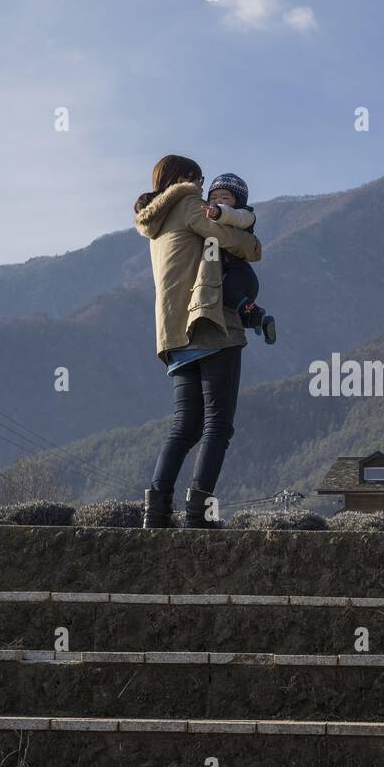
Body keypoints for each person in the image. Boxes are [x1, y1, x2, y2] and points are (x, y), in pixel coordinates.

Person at [133, 154, 261, 529]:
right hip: (208, 322)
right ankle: (197, 514)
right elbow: (235, 242)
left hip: (173, 333)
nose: (204, 185)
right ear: (184, 178)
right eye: (200, 177)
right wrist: (252, 243)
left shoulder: (153, 222)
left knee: (184, 426)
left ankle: (154, 513)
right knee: (218, 425)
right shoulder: (189, 204)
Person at [202, 173, 276, 345]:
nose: (217, 200)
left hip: (240, 276)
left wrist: (218, 212)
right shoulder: (211, 221)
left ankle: (257, 313)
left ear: (239, 200)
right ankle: (263, 322)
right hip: (231, 280)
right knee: (236, 316)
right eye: (213, 197)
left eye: (225, 197)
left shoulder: (246, 216)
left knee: (226, 294)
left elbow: (233, 216)